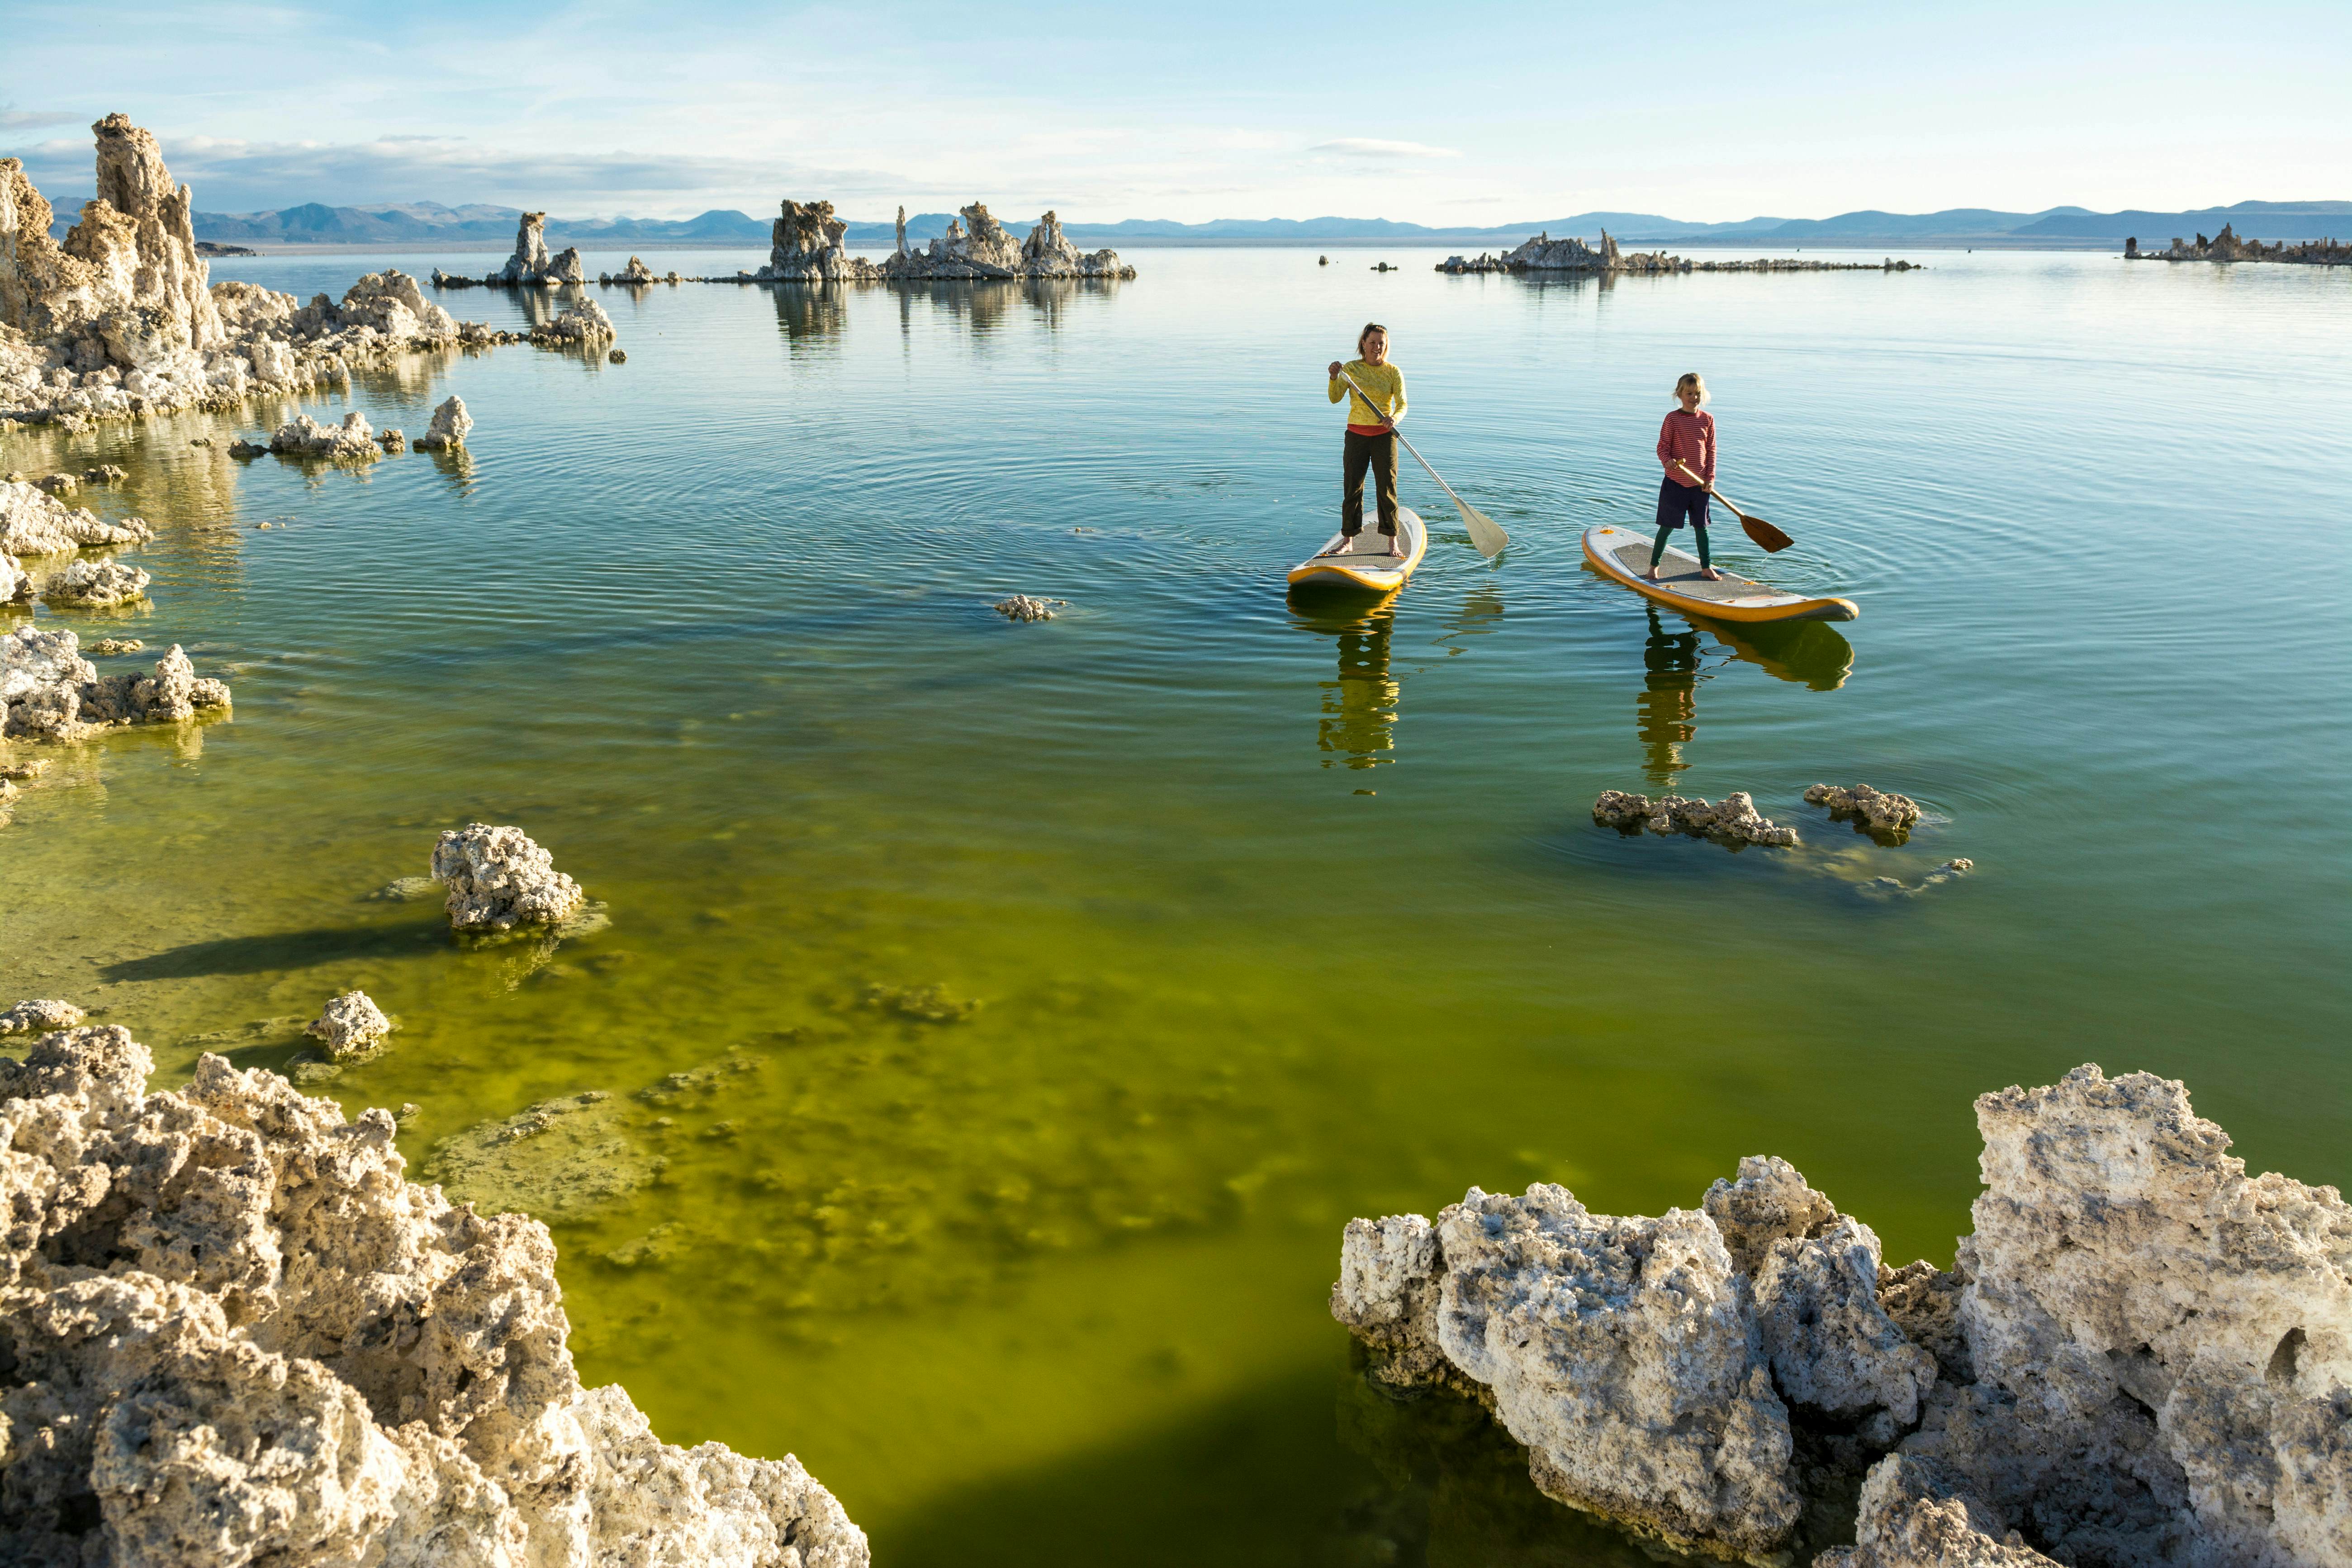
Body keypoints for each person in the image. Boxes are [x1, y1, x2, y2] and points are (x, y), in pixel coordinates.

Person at [1324, 324, 1407, 557]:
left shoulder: (1393, 372)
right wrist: (1333, 377)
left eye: (1381, 343)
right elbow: (1334, 398)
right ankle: (1348, 540)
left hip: (1384, 437)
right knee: (1352, 489)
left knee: (1387, 489)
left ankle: (1393, 543)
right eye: (1372, 343)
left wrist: (1394, 418)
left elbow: (1402, 404)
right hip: (1356, 437)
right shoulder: (1351, 370)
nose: (1377, 347)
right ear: (1363, 344)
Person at [1650, 372, 1721, 583]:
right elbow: (1662, 447)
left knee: (1702, 527)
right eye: (1689, 393)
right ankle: (1654, 566)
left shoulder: (1708, 419)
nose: (1694, 397)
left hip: (1700, 484)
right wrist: (1668, 461)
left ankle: (1706, 567)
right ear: (1679, 394)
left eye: (1697, 393)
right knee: (1667, 527)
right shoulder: (1672, 419)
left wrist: (1710, 477)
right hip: (1675, 483)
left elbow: (1711, 451)